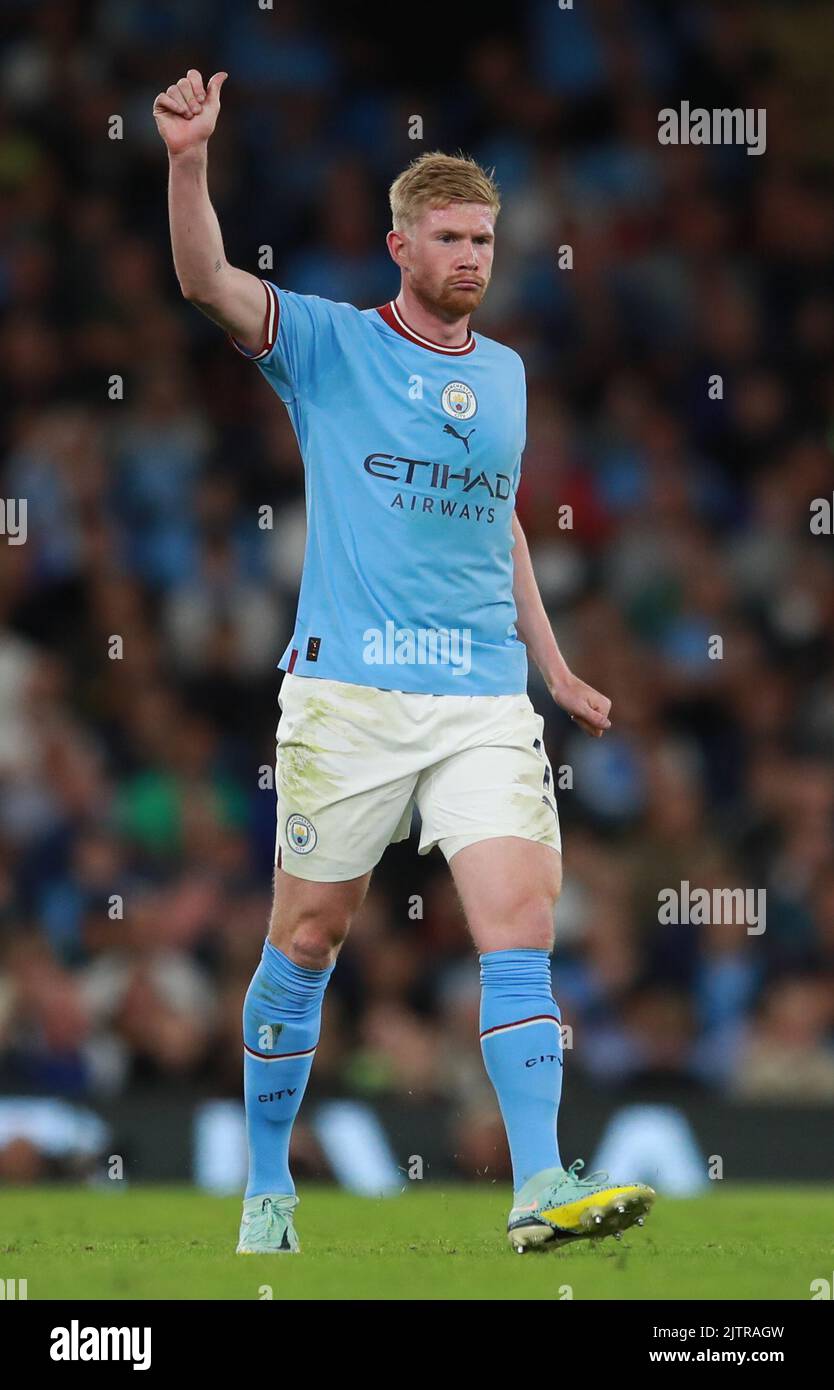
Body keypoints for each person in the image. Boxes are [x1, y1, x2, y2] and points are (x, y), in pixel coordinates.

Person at [153, 68, 655, 1254]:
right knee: (309, 935)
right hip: (351, 692)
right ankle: (268, 1182)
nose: (474, 256)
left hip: (482, 695)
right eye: (451, 238)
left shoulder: (507, 375)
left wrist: (557, 666)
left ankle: (538, 1185)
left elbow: (502, 525)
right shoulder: (326, 344)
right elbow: (205, 282)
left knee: (520, 918)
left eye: (486, 238)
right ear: (400, 244)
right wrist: (186, 160)